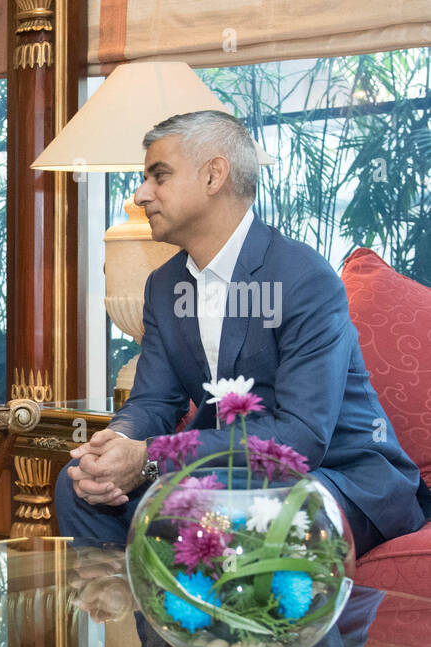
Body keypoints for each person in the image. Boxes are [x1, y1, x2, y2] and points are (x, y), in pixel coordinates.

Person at [56, 109, 430, 557]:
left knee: (236, 511)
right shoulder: (164, 286)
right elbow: (154, 401)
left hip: (335, 473)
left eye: (159, 176)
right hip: (226, 467)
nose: (140, 195)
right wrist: (117, 445)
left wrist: (151, 458)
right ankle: (135, 621)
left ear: (214, 175)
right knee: (76, 485)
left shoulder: (302, 277)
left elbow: (301, 439)